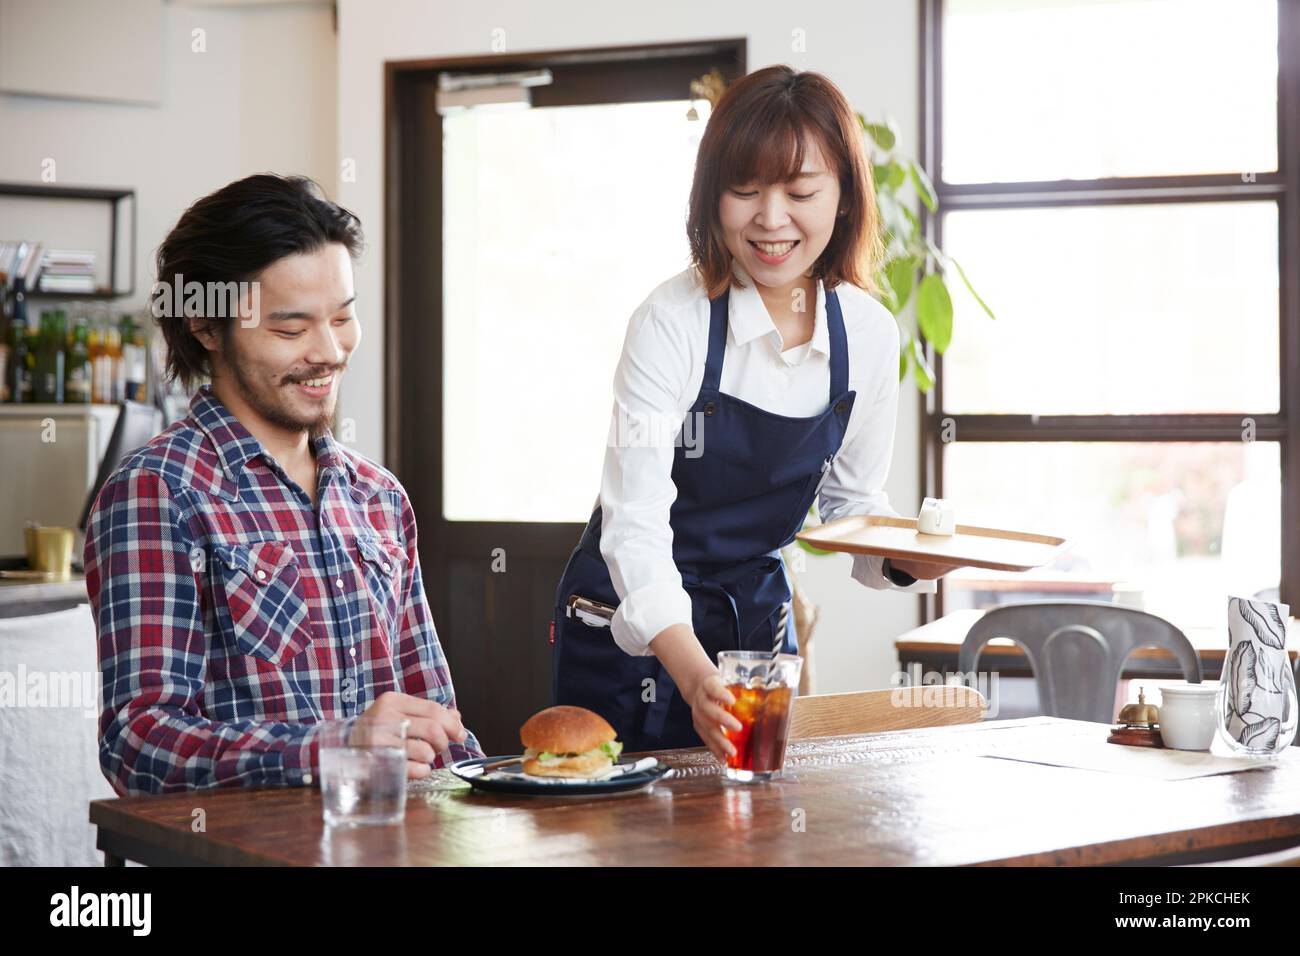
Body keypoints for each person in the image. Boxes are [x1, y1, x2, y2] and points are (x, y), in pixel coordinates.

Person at [552, 66, 965, 762]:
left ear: (843, 197)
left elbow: (851, 506)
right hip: (630, 622)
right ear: (711, 198)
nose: (771, 220)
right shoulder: (670, 324)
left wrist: (908, 562)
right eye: (744, 191)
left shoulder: (864, 333)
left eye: (801, 192)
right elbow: (636, 528)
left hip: (756, 631)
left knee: (760, 827)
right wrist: (693, 675)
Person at [83, 173, 481, 795]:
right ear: (206, 327)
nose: (329, 352)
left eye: (343, 318)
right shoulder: (158, 492)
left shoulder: (378, 498)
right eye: (291, 330)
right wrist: (334, 750)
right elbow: (139, 744)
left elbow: (437, 725)